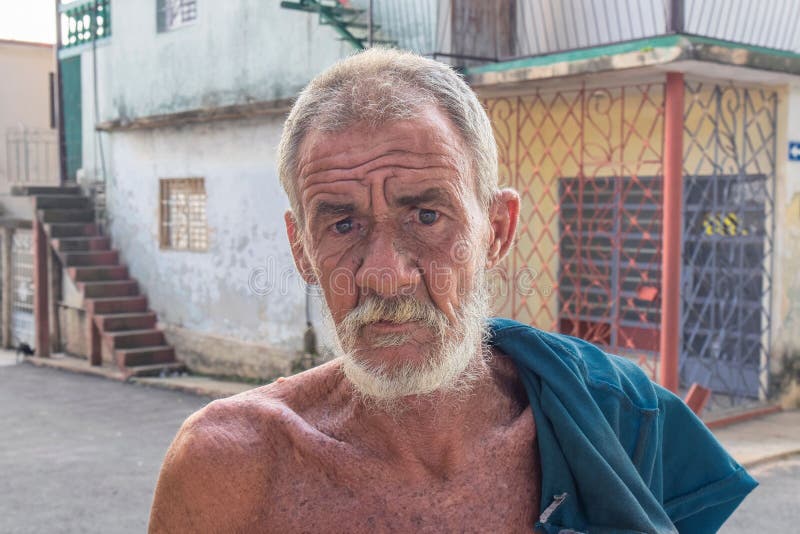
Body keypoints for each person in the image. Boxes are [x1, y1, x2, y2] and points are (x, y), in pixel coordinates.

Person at [149, 48, 756, 533]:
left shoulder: (616, 420)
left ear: (498, 231)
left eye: (427, 217)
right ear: (301, 249)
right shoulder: (231, 467)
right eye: (342, 224)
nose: (385, 276)